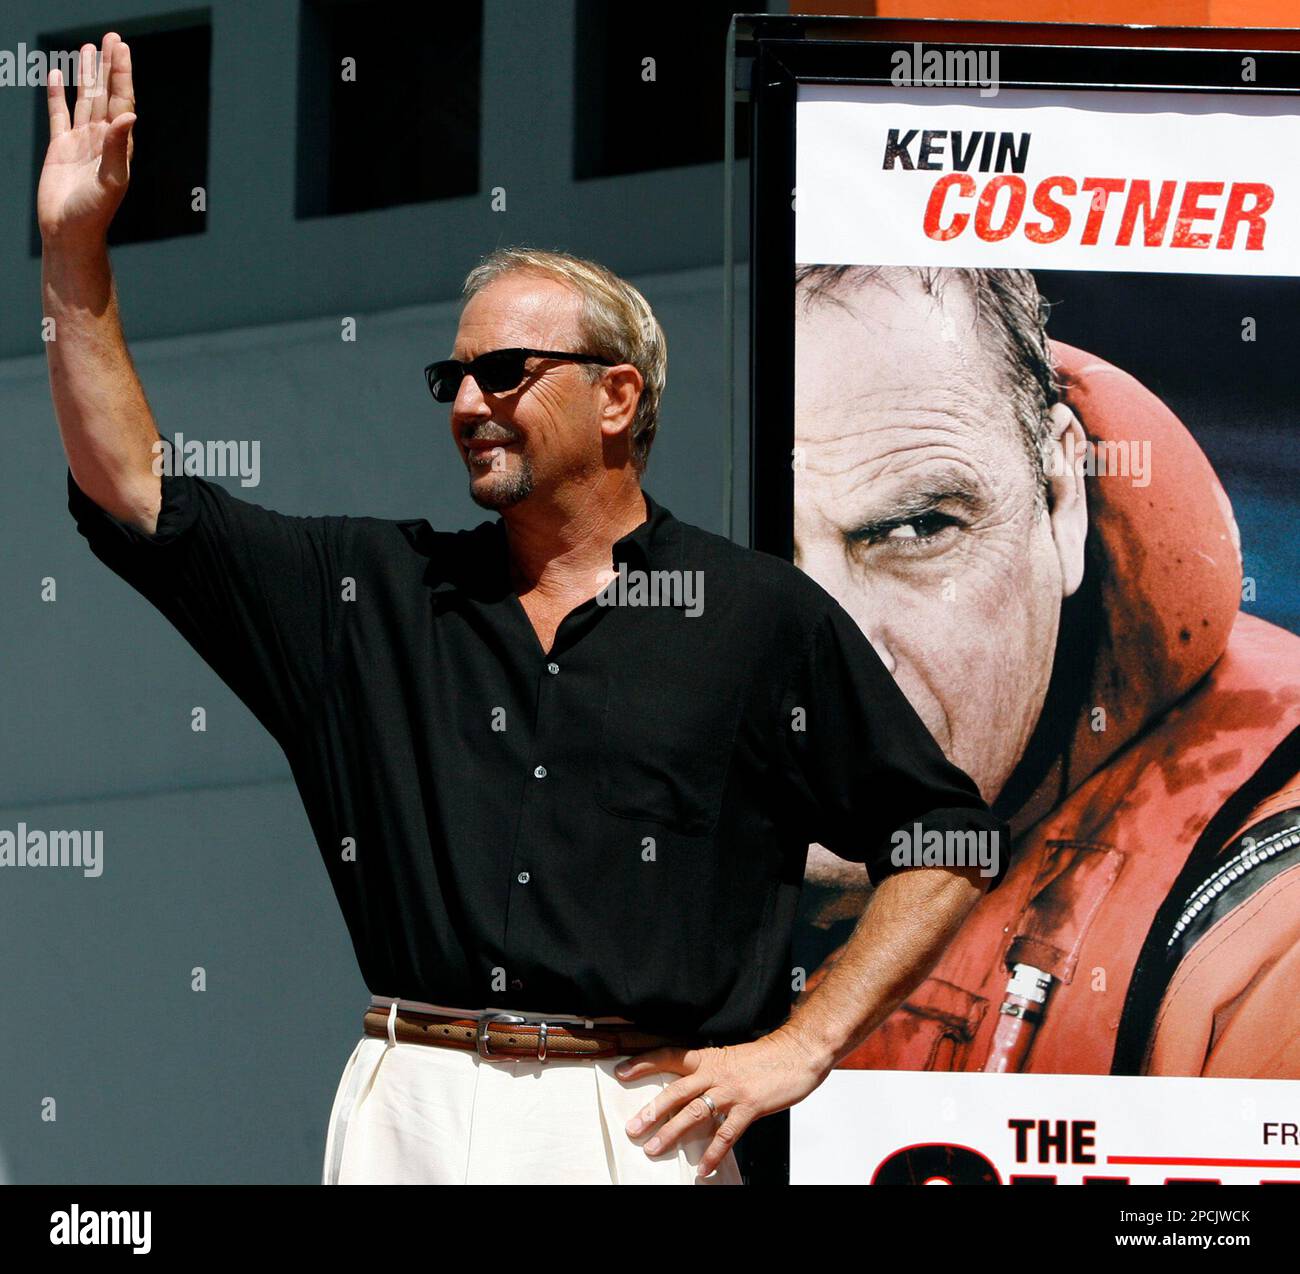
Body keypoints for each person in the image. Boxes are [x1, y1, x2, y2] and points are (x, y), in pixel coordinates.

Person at [40, 33, 1007, 1184]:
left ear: (615, 395)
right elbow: (133, 489)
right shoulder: (369, 594)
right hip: (412, 1101)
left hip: (637, 1119)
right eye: (454, 378)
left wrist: (801, 1045)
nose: (469, 403)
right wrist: (72, 253)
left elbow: (944, 840)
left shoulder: (755, 617)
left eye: (506, 371)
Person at [794, 263, 1300, 1077]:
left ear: (1061, 495)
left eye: (921, 526)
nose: (831, 669)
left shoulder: (1271, 938)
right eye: (749, 552)